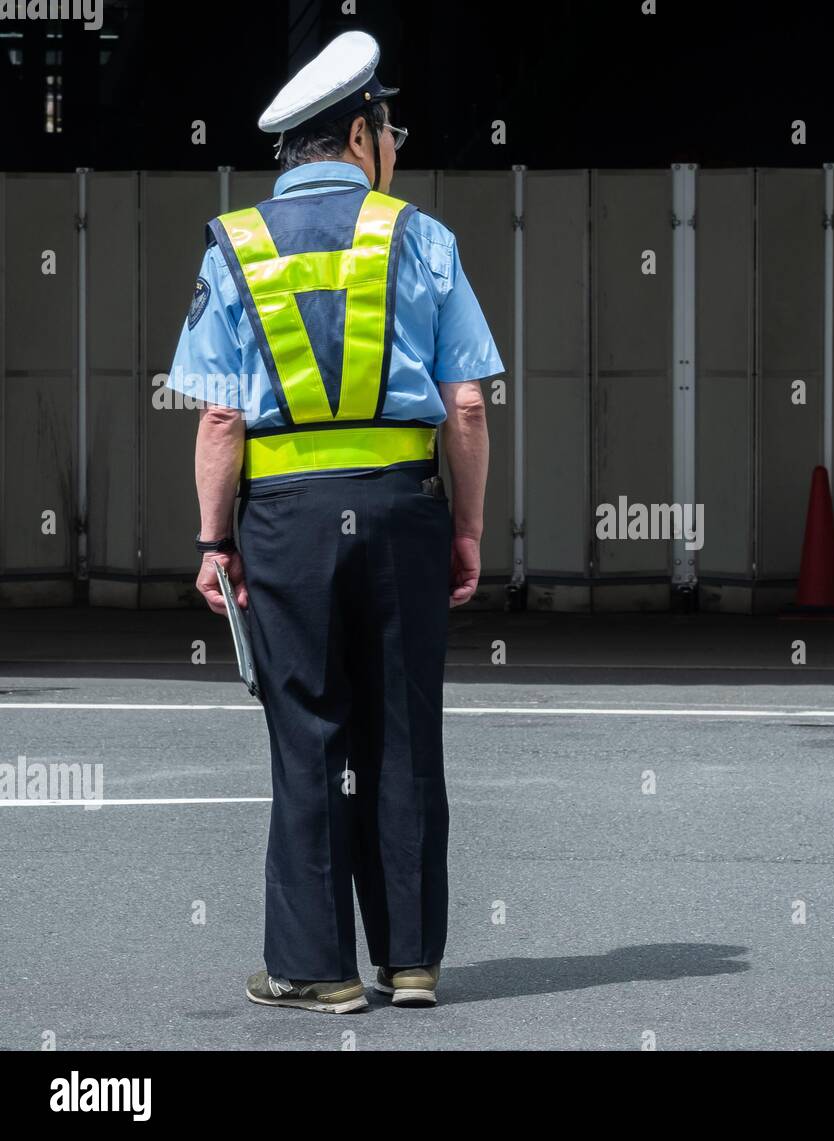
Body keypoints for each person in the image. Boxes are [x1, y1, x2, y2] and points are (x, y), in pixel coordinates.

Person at [165, 30, 502, 1013]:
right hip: (403, 512)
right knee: (402, 729)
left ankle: (318, 970)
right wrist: (467, 527)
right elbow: (469, 404)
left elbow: (220, 414)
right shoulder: (421, 236)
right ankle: (411, 962)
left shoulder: (236, 243)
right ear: (361, 135)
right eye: (388, 128)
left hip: (285, 527)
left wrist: (211, 540)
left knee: (308, 733)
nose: (394, 143)